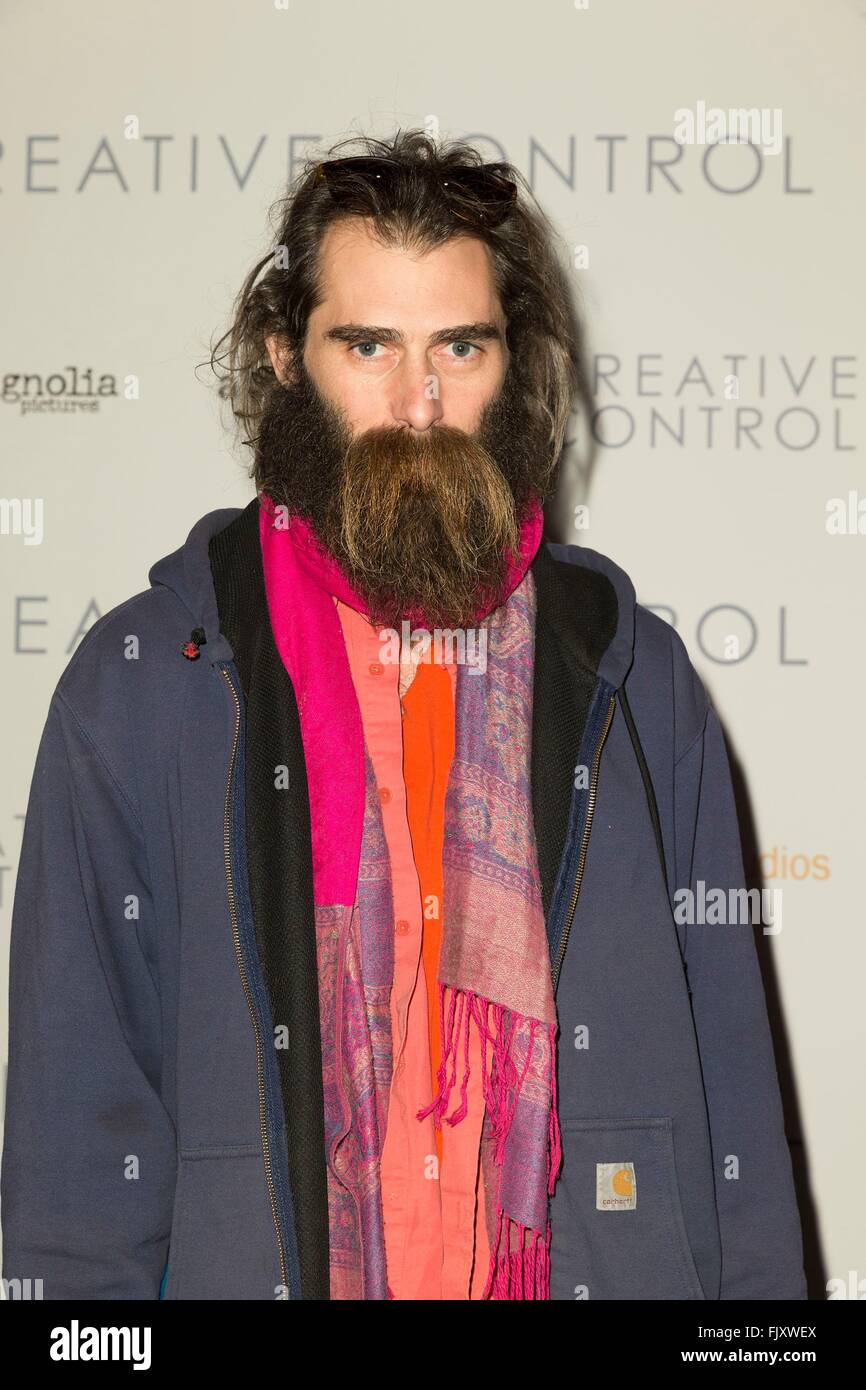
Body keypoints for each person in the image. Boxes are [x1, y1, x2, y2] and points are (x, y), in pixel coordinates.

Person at [1, 128, 807, 1300]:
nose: (418, 401)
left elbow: (735, 1124)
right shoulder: (142, 682)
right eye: (367, 344)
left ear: (511, 362)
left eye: (459, 347)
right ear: (285, 355)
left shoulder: (630, 674)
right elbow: (78, 1160)